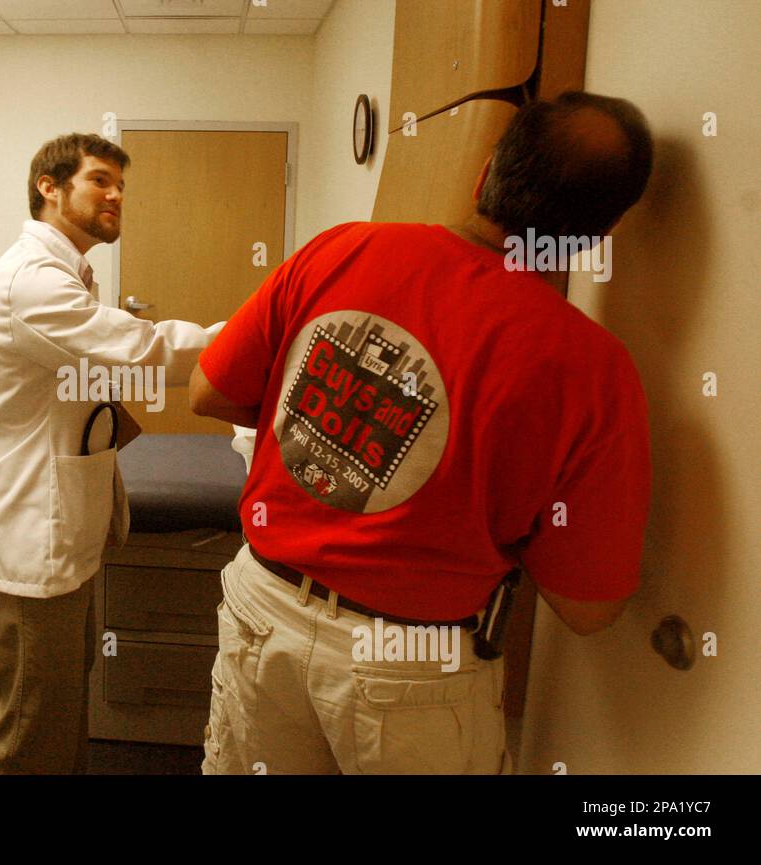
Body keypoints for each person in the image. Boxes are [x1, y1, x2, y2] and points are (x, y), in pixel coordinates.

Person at [189, 91, 654, 775]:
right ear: (597, 234)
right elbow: (590, 609)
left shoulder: (341, 249)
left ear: (486, 172)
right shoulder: (592, 368)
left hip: (265, 611)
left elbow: (209, 391)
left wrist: (328, 423)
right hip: (410, 667)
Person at [0, 132, 222, 774]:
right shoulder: (32, 282)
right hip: (32, 528)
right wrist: (248, 338)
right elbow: (142, 350)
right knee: (28, 721)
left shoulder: (69, 272)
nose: (115, 196)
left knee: (56, 701)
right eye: (100, 180)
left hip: (60, 523)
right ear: (47, 188)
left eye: (120, 186)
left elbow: (103, 373)